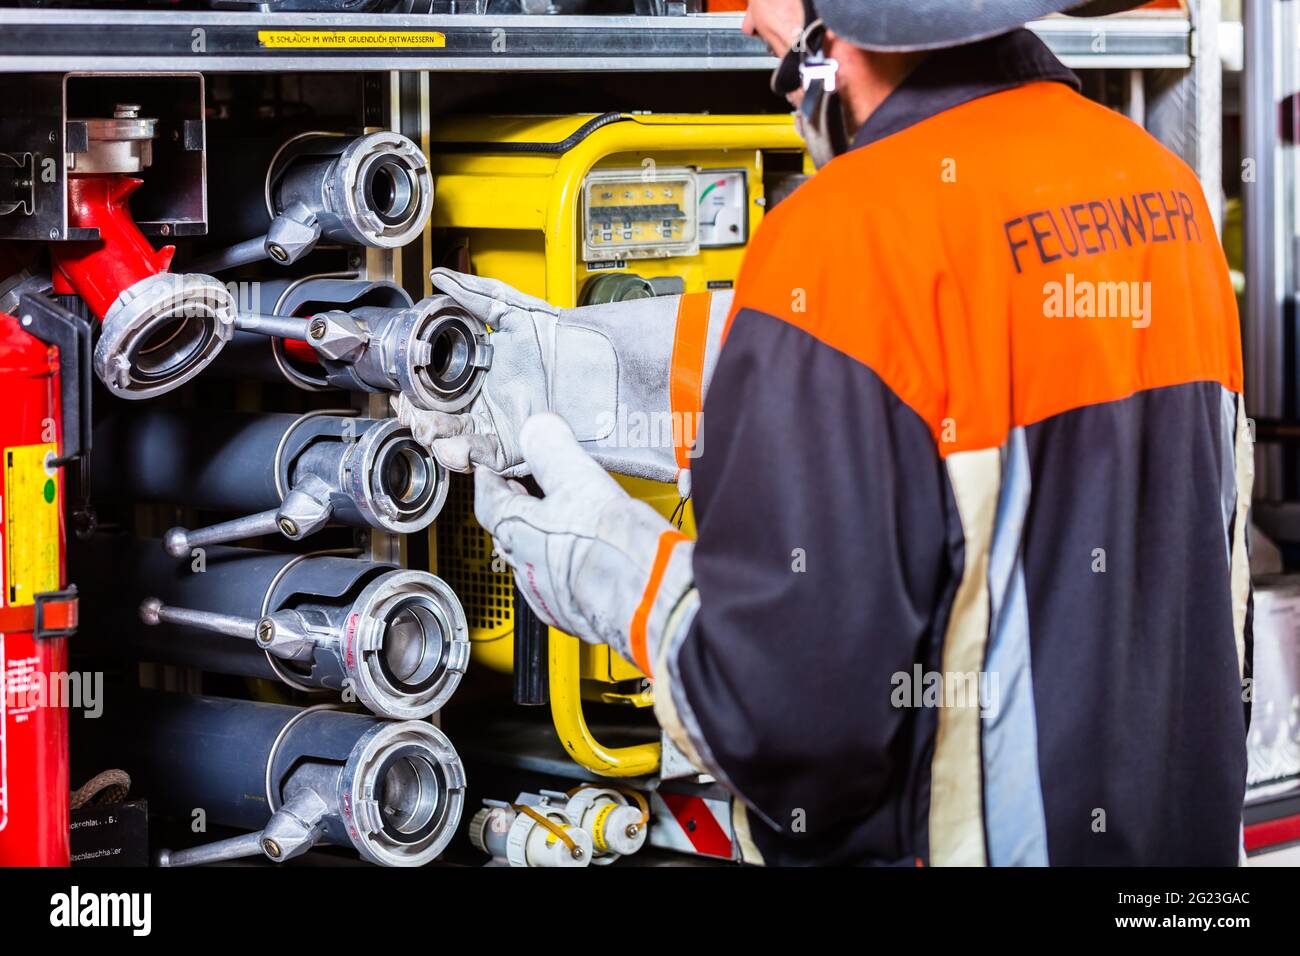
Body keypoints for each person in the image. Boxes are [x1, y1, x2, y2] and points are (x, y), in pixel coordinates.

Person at [397, 0, 1251, 865]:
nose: (744, 21)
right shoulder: (1156, 185)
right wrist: (599, 372)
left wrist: (613, 571)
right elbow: (947, 371)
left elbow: (787, 726)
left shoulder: (847, 230)